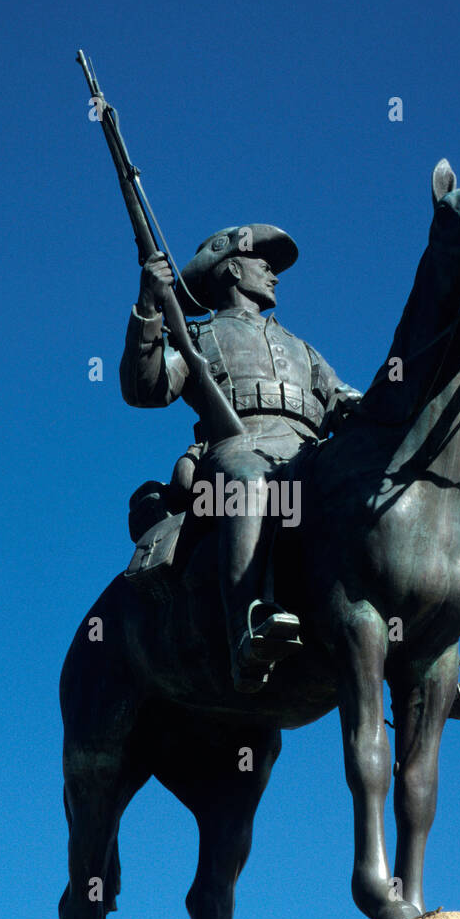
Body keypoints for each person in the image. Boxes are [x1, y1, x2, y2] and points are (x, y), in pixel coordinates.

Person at [119, 224, 360, 691]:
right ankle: (248, 629)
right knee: (248, 481)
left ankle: (423, 647)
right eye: (263, 264)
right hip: (234, 453)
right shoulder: (199, 337)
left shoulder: (303, 350)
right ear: (232, 268)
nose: (274, 275)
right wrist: (149, 305)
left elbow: (343, 398)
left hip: (307, 456)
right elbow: (144, 389)